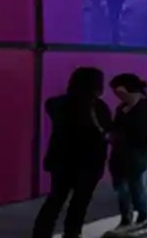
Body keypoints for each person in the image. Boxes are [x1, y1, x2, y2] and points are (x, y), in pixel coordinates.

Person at [34, 67, 112, 238]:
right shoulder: (98, 107)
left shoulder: (57, 104)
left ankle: (41, 234)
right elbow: (106, 132)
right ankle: (72, 233)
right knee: (80, 202)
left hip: (61, 161)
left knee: (55, 200)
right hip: (89, 163)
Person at [108, 73, 147, 235]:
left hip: (143, 149)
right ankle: (126, 219)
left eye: (120, 92)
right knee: (121, 185)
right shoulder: (121, 109)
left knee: (137, 181)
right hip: (122, 150)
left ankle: (143, 218)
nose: (118, 96)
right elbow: (116, 128)